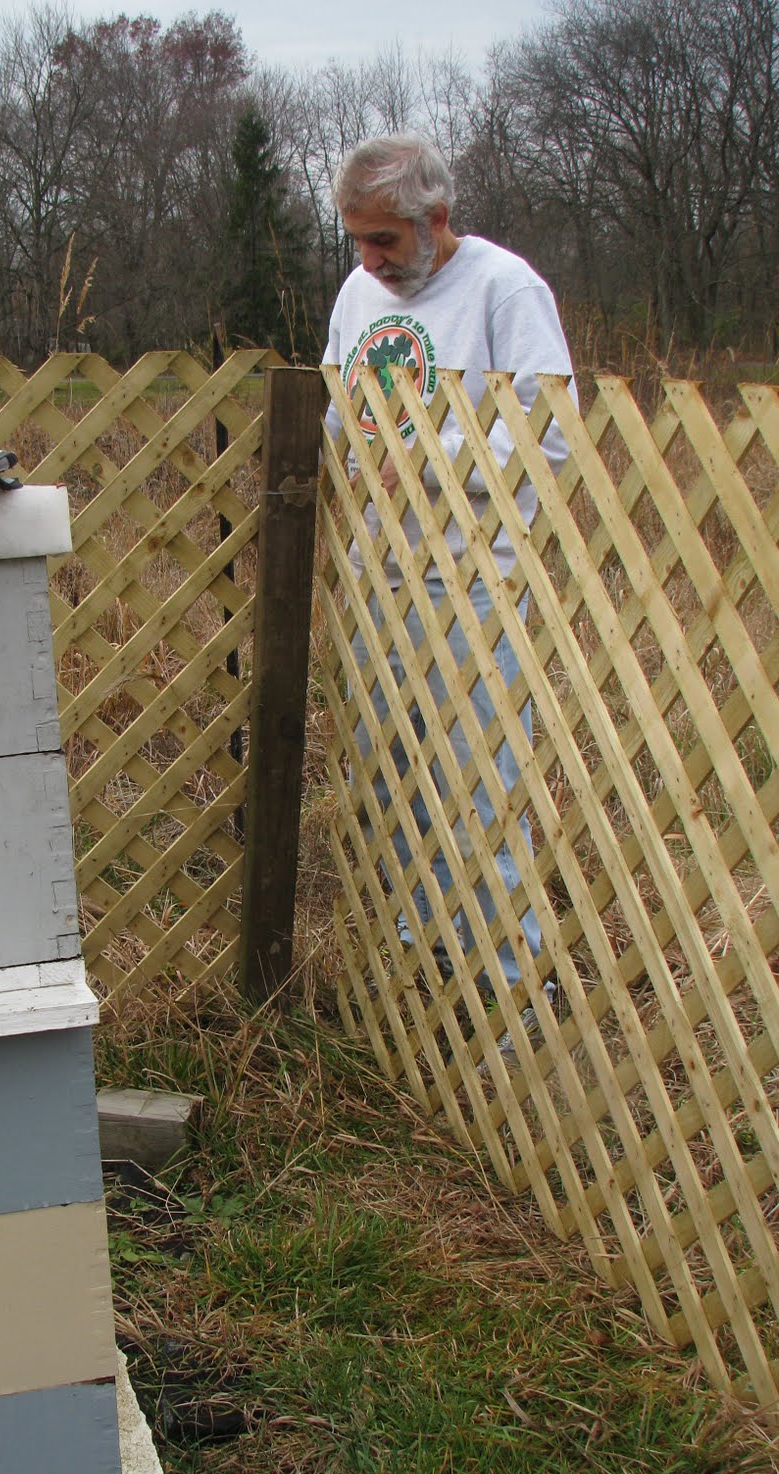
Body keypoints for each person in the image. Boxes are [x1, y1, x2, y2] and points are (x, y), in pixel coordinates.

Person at [322, 131, 574, 1008]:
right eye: (357, 239)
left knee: (481, 792)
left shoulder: (505, 288)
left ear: (436, 218)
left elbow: (549, 429)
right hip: (378, 574)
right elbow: (338, 410)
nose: (369, 258)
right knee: (398, 788)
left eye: (384, 239)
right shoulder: (360, 293)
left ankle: (508, 996)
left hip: (472, 581)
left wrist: (429, 454)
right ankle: (423, 967)